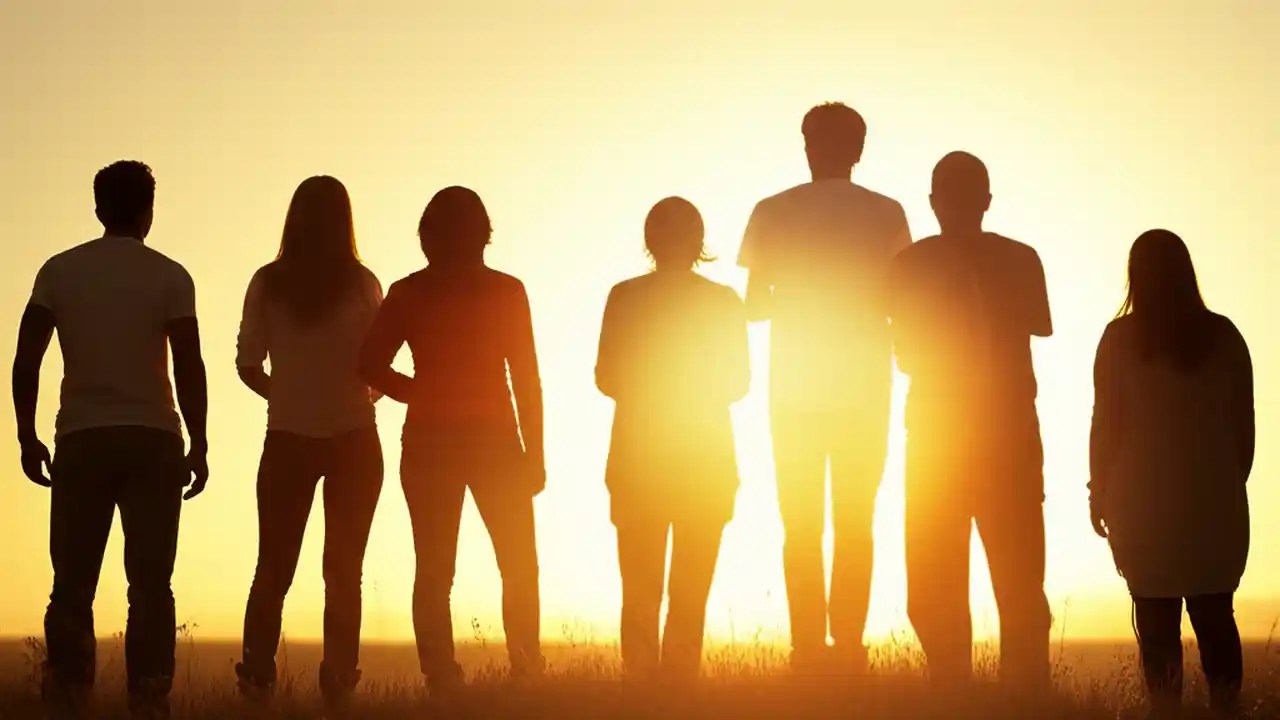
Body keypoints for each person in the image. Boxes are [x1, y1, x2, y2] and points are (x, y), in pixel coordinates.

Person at [11, 161, 209, 720]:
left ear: (98, 209)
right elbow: (190, 366)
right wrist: (200, 442)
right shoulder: (171, 276)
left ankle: (69, 700)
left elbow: (26, 363)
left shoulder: (59, 271)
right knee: (151, 584)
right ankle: (149, 701)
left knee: (71, 584)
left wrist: (26, 436)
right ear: (149, 211)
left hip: (82, 439)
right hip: (153, 441)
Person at [738, 102, 912, 673]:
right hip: (864, 386)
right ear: (858, 151)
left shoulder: (771, 211)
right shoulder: (887, 213)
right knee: (857, 519)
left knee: (802, 524)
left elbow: (755, 306)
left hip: (795, 388)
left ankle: (808, 647)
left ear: (806, 144)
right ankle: (850, 647)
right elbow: (902, 300)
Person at [360, 186, 544, 695]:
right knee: (517, 561)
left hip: (433, 440)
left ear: (429, 237)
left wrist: (417, 391)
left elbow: (369, 364)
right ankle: (524, 668)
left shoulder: (409, 292)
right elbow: (526, 379)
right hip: (494, 440)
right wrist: (537, 454)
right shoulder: (506, 290)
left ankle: (441, 675)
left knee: (436, 566)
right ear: (482, 234)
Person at [887, 151, 1053, 693]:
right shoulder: (1022, 259)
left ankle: (952, 689)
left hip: (938, 439)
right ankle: (1024, 697)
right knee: (1020, 581)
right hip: (1008, 438)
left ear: (933, 203)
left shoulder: (908, 266)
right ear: (987, 201)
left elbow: (906, 353)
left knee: (935, 583)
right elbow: (1037, 328)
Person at [234, 176, 385, 713]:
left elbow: (247, 364)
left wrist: (288, 390)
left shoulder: (268, 282)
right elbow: (377, 364)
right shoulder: (364, 284)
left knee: (272, 565)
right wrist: (358, 393)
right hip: (354, 438)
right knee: (344, 569)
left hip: (287, 439)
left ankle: (256, 678)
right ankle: (338, 683)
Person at [1090, 230, 1253, 719]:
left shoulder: (1119, 340)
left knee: (1157, 627)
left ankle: (1167, 713)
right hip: (1213, 507)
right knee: (1216, 619)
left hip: (1141, 507)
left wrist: (1099, 492)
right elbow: (1243, 428)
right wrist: (1224, 485)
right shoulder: (1225, 336)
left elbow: (1105, 425)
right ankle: (1227, 710)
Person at [596, 198, 750, 682]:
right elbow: (739, 382)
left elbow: (605, 376)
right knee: (688, 587)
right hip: (703, 460)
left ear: (650, 241)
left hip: (640, 458)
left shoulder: (624, 297)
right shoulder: (723, 302)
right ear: (698, 241)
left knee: (641, 585)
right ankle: (677, 682)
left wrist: (648, 391)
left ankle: (644, 682)